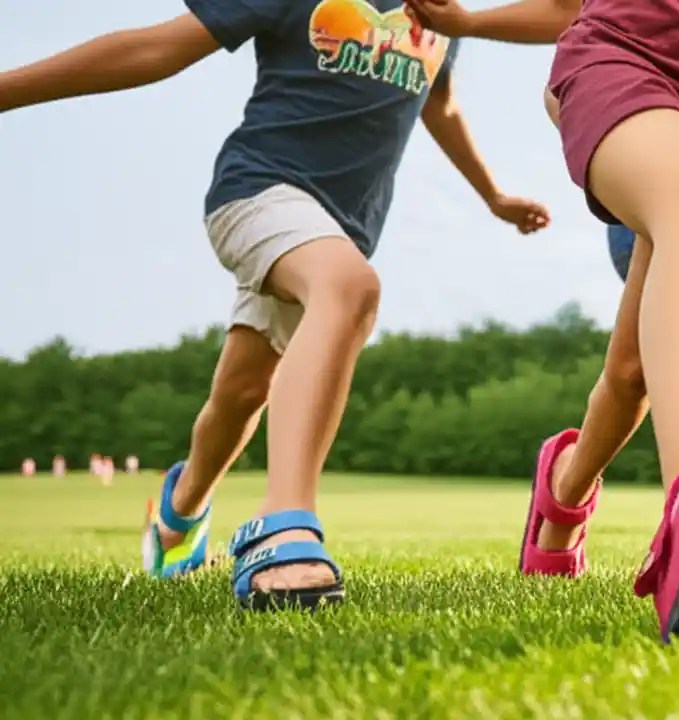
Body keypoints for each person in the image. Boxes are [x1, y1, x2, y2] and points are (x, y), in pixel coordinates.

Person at [0, 0, 549, 610]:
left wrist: (493, 194)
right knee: (352, 289)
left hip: (335, 230)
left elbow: (439, 104)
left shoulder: (440, 14)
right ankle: (283, 526)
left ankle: (179, 511)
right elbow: (158, 47)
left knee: (239, 396)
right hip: (258, 193)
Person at [408, 0, 679, 643]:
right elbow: (570, 8)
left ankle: (561, 496)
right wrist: (468, 23)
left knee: (642, 374)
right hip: (627, 56)